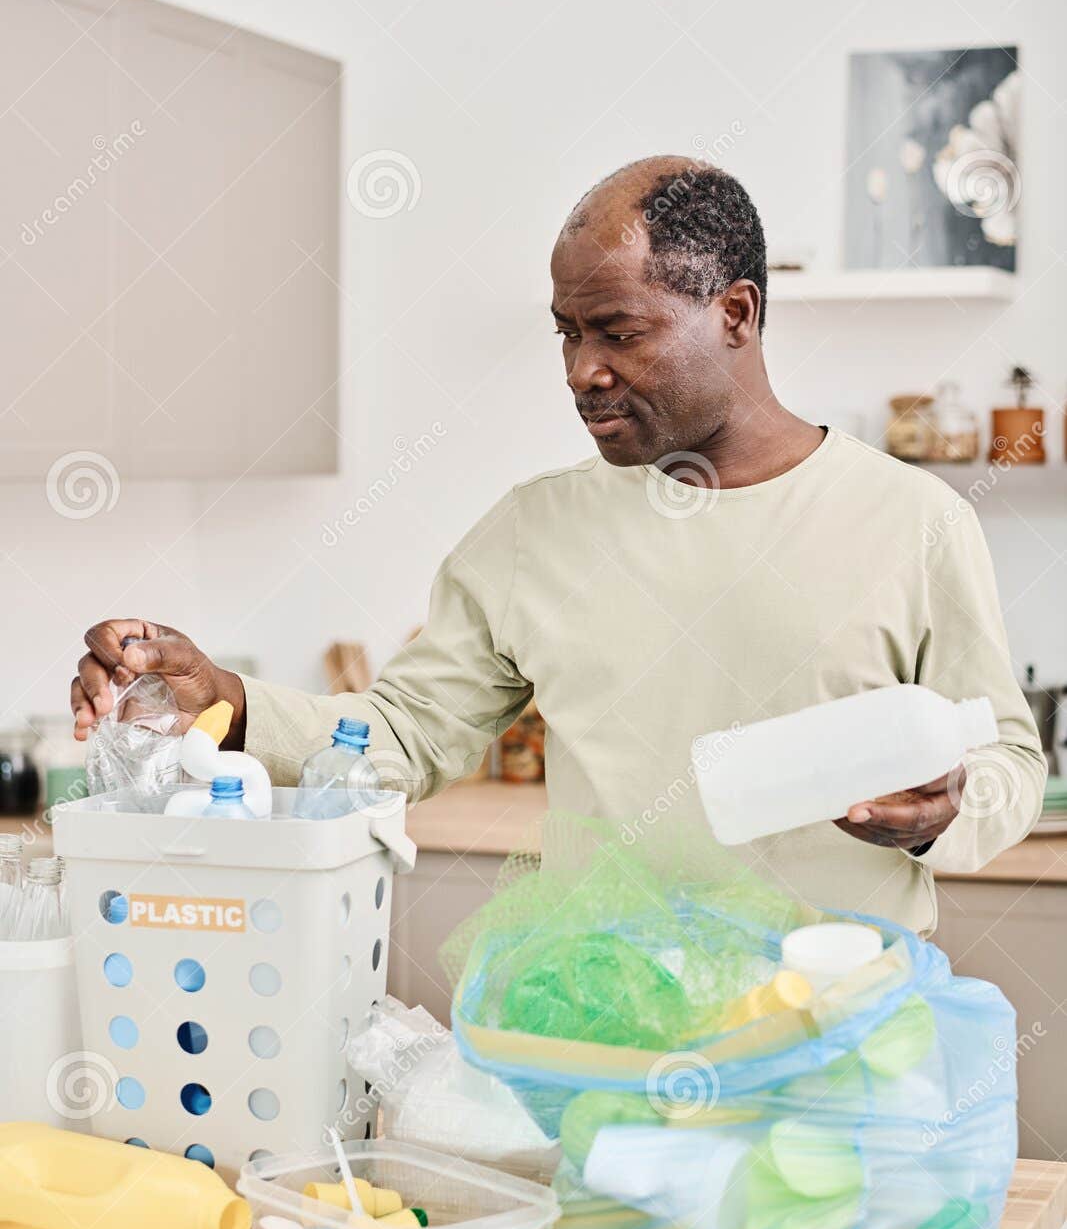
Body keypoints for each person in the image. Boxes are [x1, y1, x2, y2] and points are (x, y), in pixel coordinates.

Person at [71, 156, 1044, 934]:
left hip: (841, 1046)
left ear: (735, 313)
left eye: (618, 331)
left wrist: (947, 808)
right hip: (605, 1052)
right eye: (565, 334)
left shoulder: (912, 523)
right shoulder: (529, 536)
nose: (583, 372)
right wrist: (227, 702)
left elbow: (1004, 753)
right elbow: (401, 734)